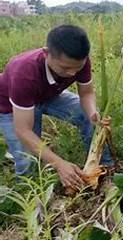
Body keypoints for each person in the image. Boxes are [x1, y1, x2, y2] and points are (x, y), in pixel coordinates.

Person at [0, 25, 113, 188]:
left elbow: (87, 93)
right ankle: (29, 194)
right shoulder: (24, 72)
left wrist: (92, 113)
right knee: (28, 159)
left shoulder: (79, 61)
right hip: (11, 107)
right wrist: (59, 164)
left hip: (48, 95)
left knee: (89, 116)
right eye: (65, 68)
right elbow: (23, 130)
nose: (73, 73)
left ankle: (105, 168)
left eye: (78, 68)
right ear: (46, 53)